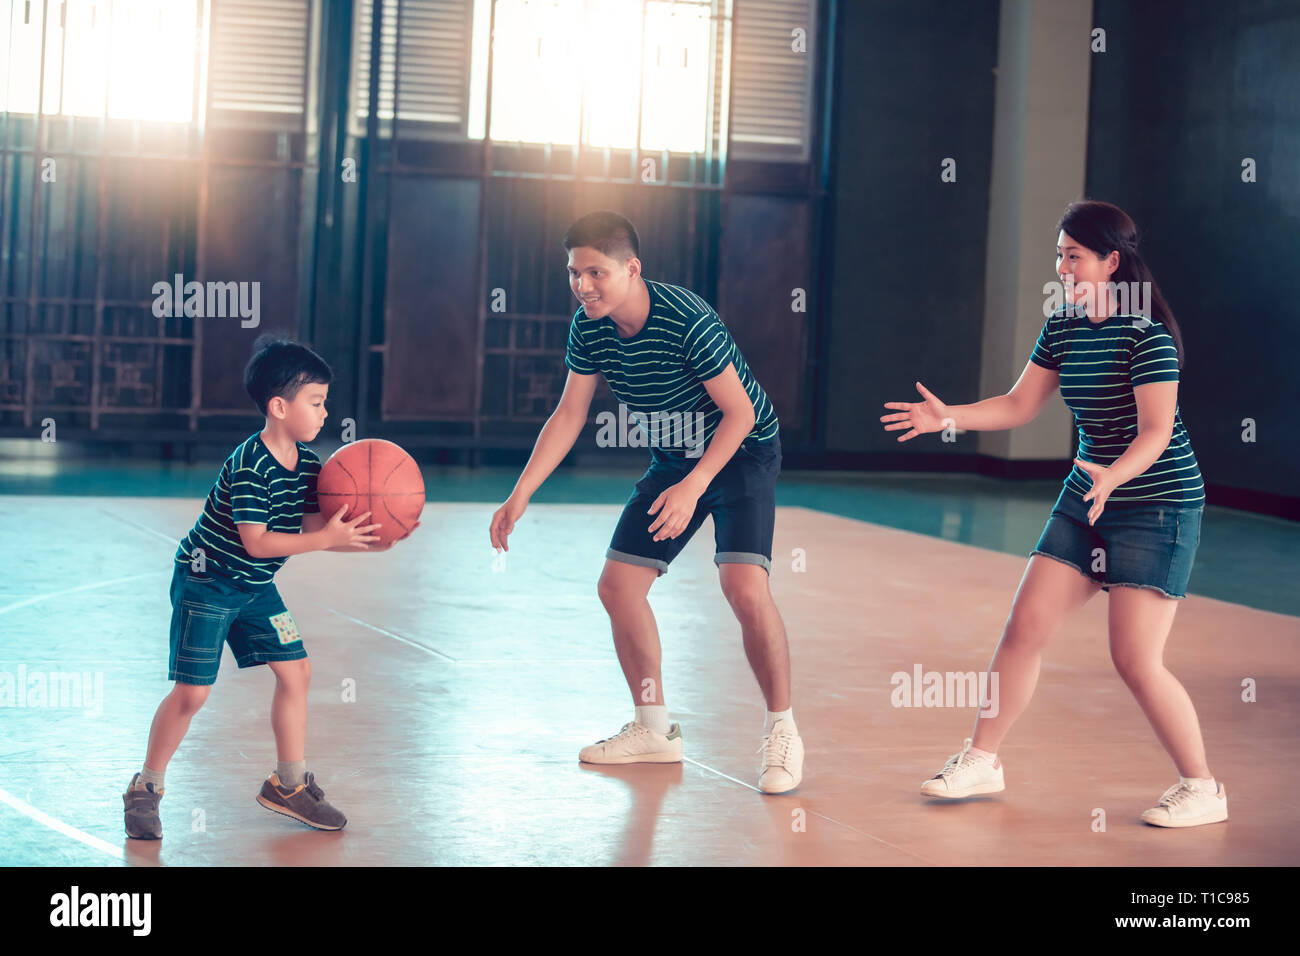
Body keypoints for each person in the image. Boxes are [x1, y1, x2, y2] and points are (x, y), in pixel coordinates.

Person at [881, 200, 1224, 827]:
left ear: (1111, 262)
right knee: (1025, 626)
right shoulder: (1064, 323)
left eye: (1074, 256)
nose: (1062, 268)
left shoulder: (1147, 335)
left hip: (1157, 500)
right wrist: (947, 417)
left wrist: (1115, 476)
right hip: (1086, 492)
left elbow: (1155, 432)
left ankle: (1202, 786)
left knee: (1135, 658)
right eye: (1058, 256)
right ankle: (982, 758)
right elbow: (1018, 405)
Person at [489, 211, 803, 793]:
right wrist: (521, 492)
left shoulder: (687, 318)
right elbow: (570, 414)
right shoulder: (589, 327)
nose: (583, 285)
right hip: (675, 459)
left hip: (742, 454)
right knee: (618, 587)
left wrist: (694, 486)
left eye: (596, 272)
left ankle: (782, 729)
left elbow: (742, 414)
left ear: (632, 270)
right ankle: (654, 729)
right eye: (574, 273)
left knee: (743, 587)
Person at [123, 335, 413, 838]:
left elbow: (316, 533)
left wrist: (371, 541)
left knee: (296, 671)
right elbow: (258, 542)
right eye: (316, 402)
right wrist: (329, 537)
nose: (326, 413)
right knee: (193, 694)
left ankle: (288, 784)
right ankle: (145, 787)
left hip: (255, 586)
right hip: (207, 581)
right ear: (280, 407)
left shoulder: (307, 466)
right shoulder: (250, 465)